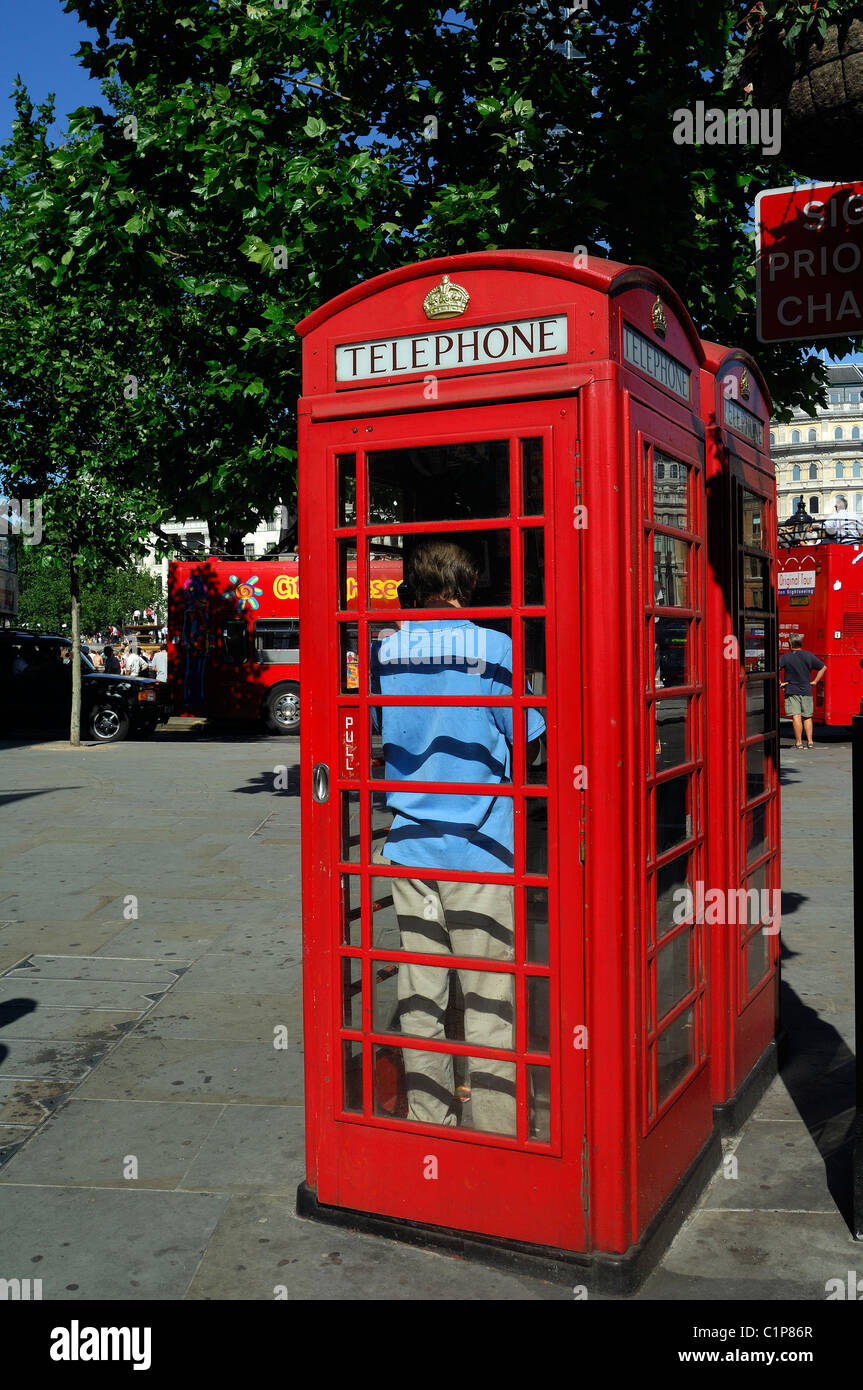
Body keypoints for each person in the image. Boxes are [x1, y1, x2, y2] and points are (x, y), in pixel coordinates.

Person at [370, 540, 546, 1137]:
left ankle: (430, 1123)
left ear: (413, 587)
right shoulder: (495, 646)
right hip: (480, 848)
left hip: (409, 846)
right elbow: (527, 735)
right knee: (490, 1003)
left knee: (420, 1004)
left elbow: (379, 728)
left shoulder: (387, 650)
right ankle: (498, 1135)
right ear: (470, 582)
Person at [780, 632, 825, 750]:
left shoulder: (785, 657)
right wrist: (815, 681)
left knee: (796, 716)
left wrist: (780, 683)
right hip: (806, 689)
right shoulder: (809, 655)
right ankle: (810, 742)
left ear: (790, 643)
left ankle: (799, 743)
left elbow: (775, 669)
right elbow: (823, 667)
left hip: (792, 690)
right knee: (807, 716)